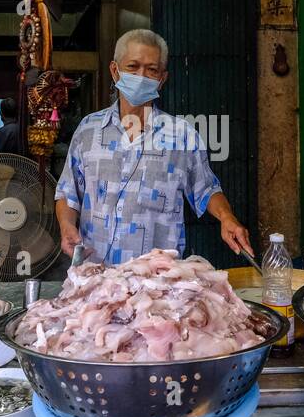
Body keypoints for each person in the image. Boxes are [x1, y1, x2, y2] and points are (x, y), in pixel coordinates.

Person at [55, 28, 252, 265]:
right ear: (115, 71)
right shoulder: (89, 130)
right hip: (97, 277)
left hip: (157, 282)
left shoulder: (181, 135)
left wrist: (227, 217)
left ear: (162, 79)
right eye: (133, 67)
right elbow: (68, 192)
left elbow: (206, 189)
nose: (141, 76)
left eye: (151, 70)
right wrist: (66, 226)